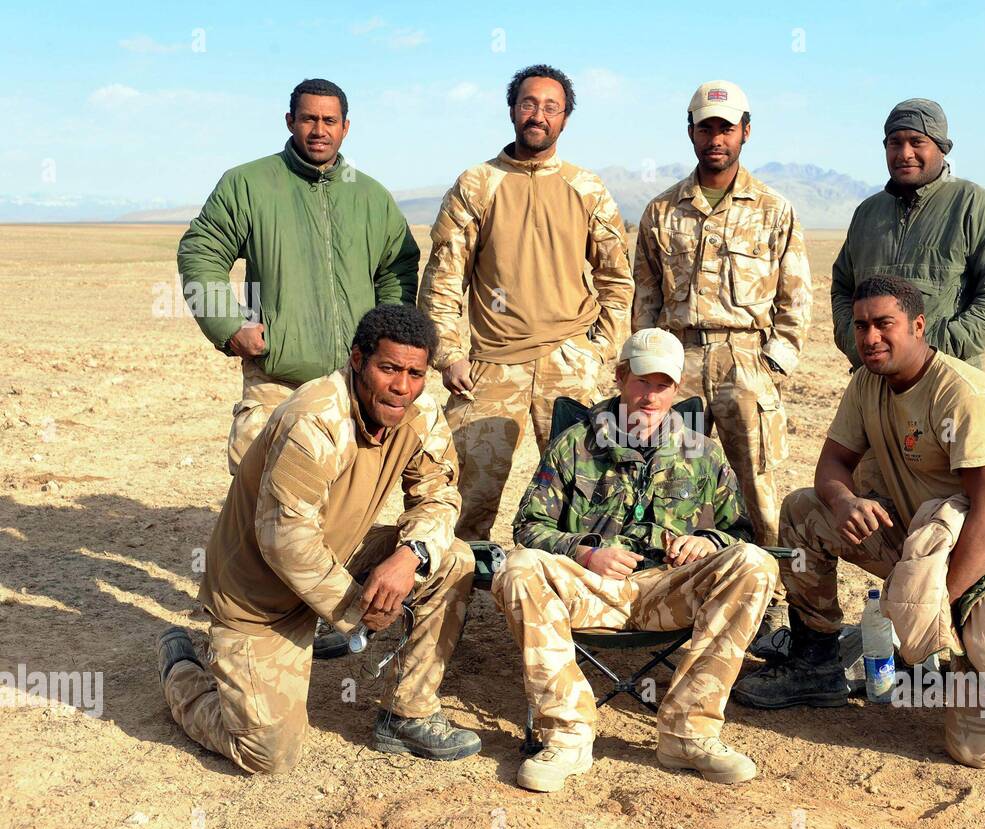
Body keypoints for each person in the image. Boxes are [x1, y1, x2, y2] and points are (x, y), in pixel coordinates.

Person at [733, 276, 985, 768]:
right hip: (914, 545)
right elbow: (832, 466)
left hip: (984, 564)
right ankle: (815, 664)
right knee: (803, 511)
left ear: (918, 326)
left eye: (885, 324)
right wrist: (843, 504)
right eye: (861, 326)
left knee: (971, 750)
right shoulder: (867, 382)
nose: (870, 338)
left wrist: (932, 608)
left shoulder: (964, 395)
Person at [156, 305, 480, 774]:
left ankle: (405, 713)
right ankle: (182, 669)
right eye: (388, 368)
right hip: (258, 596)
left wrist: (411, 554)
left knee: (452, 559)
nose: (402, 386)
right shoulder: (315, 419)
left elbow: (440, 494)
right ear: (357, 360)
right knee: (268, 755)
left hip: (336, 560)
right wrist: (357, 611)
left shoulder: (419, 409)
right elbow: (284, 541)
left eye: (415, 373)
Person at [492, 329, 778, 792]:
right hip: (590, 589)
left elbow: (740, 530)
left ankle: (688, 733)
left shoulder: (701, 453)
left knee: (755, 563)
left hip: (669, 590)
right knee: (519, 567)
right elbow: (527, 527)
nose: (650, 395)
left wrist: (706, 540)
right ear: (621, 377)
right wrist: (586, 551)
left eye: (662, 384)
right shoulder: (574, 445)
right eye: (642, 380)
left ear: (677, 388)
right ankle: (567, 736)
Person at [417, 64, 633, 541]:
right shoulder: (477, 184)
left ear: (565, 119)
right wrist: (449, 353)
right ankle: (447, 606)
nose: (538, 115)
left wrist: (599, 352)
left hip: (570, 363)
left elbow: (617, 280)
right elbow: (444, 277)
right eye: (529, 104)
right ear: (513, 110)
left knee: (588, 494)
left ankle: (569, 601)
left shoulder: (587, 188)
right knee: (460, 496)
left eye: (551, 107)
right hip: (491, 366)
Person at [179, 77, 420, 475]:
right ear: (290, 121)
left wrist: (386, 347)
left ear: (346, 127)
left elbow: (398, 269)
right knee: (261, 499)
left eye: (330, 120)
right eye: (309, 119)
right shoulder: (248, 184)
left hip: (352, 383)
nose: (319, 130)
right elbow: (201, 251)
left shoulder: (370, 195)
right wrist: (229, 323)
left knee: (340, 503)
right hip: (277, 380)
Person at [632, 79, 811, 556]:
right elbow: (645, 298)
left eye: (726, 129)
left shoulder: (774, 210)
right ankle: (675, 589)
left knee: (757, 486)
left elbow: (796, 300)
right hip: (677, 364)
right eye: (705, 128)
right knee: (672, 480)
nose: (716, 139)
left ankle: (769, 595)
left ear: (746, 132)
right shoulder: (662, 211)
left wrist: (772, 366)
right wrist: (648, 370)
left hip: (745, 363)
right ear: (690, 132)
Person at [829, 98, 985, 371]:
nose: (905, 153)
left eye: (917, 141)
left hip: (945, 378)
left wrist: (932, 350)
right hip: (873, 379)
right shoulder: (867, 213)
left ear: (942, 148)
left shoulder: (974, 205)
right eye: (895, 142)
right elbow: (843, 286)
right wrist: (854, 340)